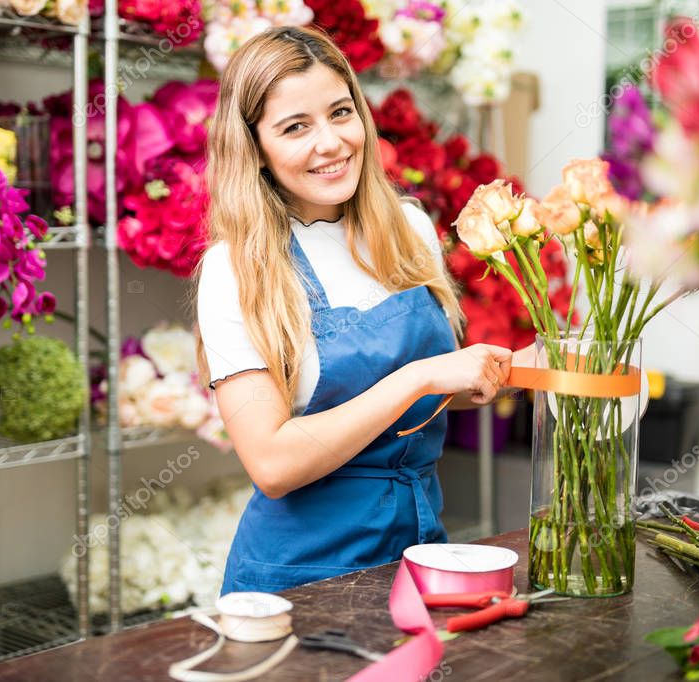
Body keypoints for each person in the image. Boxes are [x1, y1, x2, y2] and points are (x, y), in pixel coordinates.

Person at [194, 25, 519, 595]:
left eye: (341, 112)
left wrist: (527, 369)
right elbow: (272, 464)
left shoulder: (407, 228)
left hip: (418, 551)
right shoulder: (237, 268)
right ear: (256, 149)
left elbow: (438, 394)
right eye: (295, 127)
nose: (331, 142)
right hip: (301, 577)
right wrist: (419, 376)